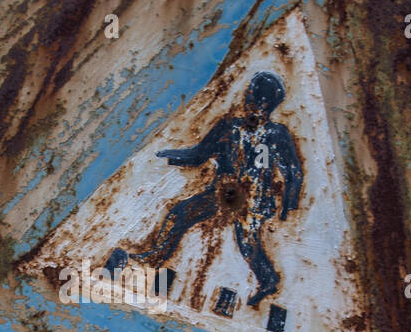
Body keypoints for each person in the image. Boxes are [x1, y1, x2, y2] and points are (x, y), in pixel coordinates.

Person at [105, 71, 304, 307]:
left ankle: (268, 279)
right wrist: (168, 155)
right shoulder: (230, 126)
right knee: (180, 213)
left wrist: (288, 207)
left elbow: (293, 171)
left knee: (248, 243)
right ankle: (156, 255)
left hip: (254, 200)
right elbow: (199, 154)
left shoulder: (276, 133)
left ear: (265, 102)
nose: (251, 100)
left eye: (256, 96)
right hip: (221, 192)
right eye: (251, 94)